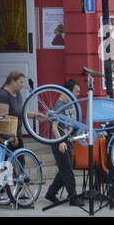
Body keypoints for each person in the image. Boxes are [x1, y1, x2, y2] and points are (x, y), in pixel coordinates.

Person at [43, 79, 83, 209]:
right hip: (59, 141)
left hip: (68, 140)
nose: (77, 94)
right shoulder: (59, 105)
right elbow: (54, 126)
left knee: (64, 169)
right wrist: (60, 141)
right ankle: (73, 197)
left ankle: (51, 192)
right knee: (67, 170)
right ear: (68, 91)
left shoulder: (71, 103)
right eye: (76, 91)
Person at [0, 70, 26, 150]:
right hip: (7, 140)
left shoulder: (17, 93)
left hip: (17, 136)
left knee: (19, 162)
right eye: (20, 82)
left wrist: (35, 115)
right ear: (12, 81)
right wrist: (12, 137)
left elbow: (19, 112)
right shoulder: (3, 96)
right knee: (8, 162)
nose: (22, 85)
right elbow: (4, 120)